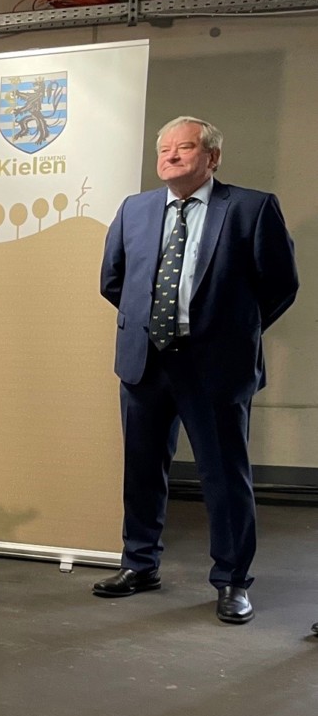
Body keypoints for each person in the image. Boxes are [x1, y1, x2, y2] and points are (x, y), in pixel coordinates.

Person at [95, 117, 299, 624]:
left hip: (216, 367)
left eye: (184, 147)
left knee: (224, 477)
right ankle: (139, 564)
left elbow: (279, 285)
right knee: (141, 471)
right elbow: (113, 279)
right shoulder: (134, 210)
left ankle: (232, 581)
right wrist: (155, 325)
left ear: (212, 157)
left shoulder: (251, 208)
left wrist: (231, 332)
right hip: (146, 362)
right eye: (164, 149)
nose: (170, 156)